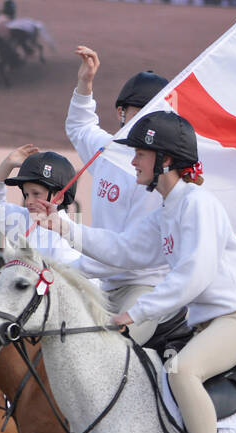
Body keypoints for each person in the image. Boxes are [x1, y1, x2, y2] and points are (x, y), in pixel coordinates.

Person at [35, 111, 236, 433]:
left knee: (182, 370)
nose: (135, 162)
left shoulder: (199, 205)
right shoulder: (167, 212)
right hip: (210, 322)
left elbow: (195, 274)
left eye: (142, 154)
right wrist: (64, 228)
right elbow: (125, 251)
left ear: (166, 161)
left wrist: (137, 312)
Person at [66, 46, 171, 344]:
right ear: (121, 112)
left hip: (145, 287)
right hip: (106, 284)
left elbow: (127, 253)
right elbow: (79, 125)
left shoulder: (155, 172)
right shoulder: (107, 150)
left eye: (155, 112)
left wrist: (67, 270)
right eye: (140, 110)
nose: (147, 119)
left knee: (112, 352)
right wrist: (85, 85)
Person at [0, 144, 86, 269]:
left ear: (59, 197)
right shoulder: (22, 219)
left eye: (36, 194)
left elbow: (69, 283)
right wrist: (7, 164)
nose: (28, 201)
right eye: (26, 194)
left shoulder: (66, 238)